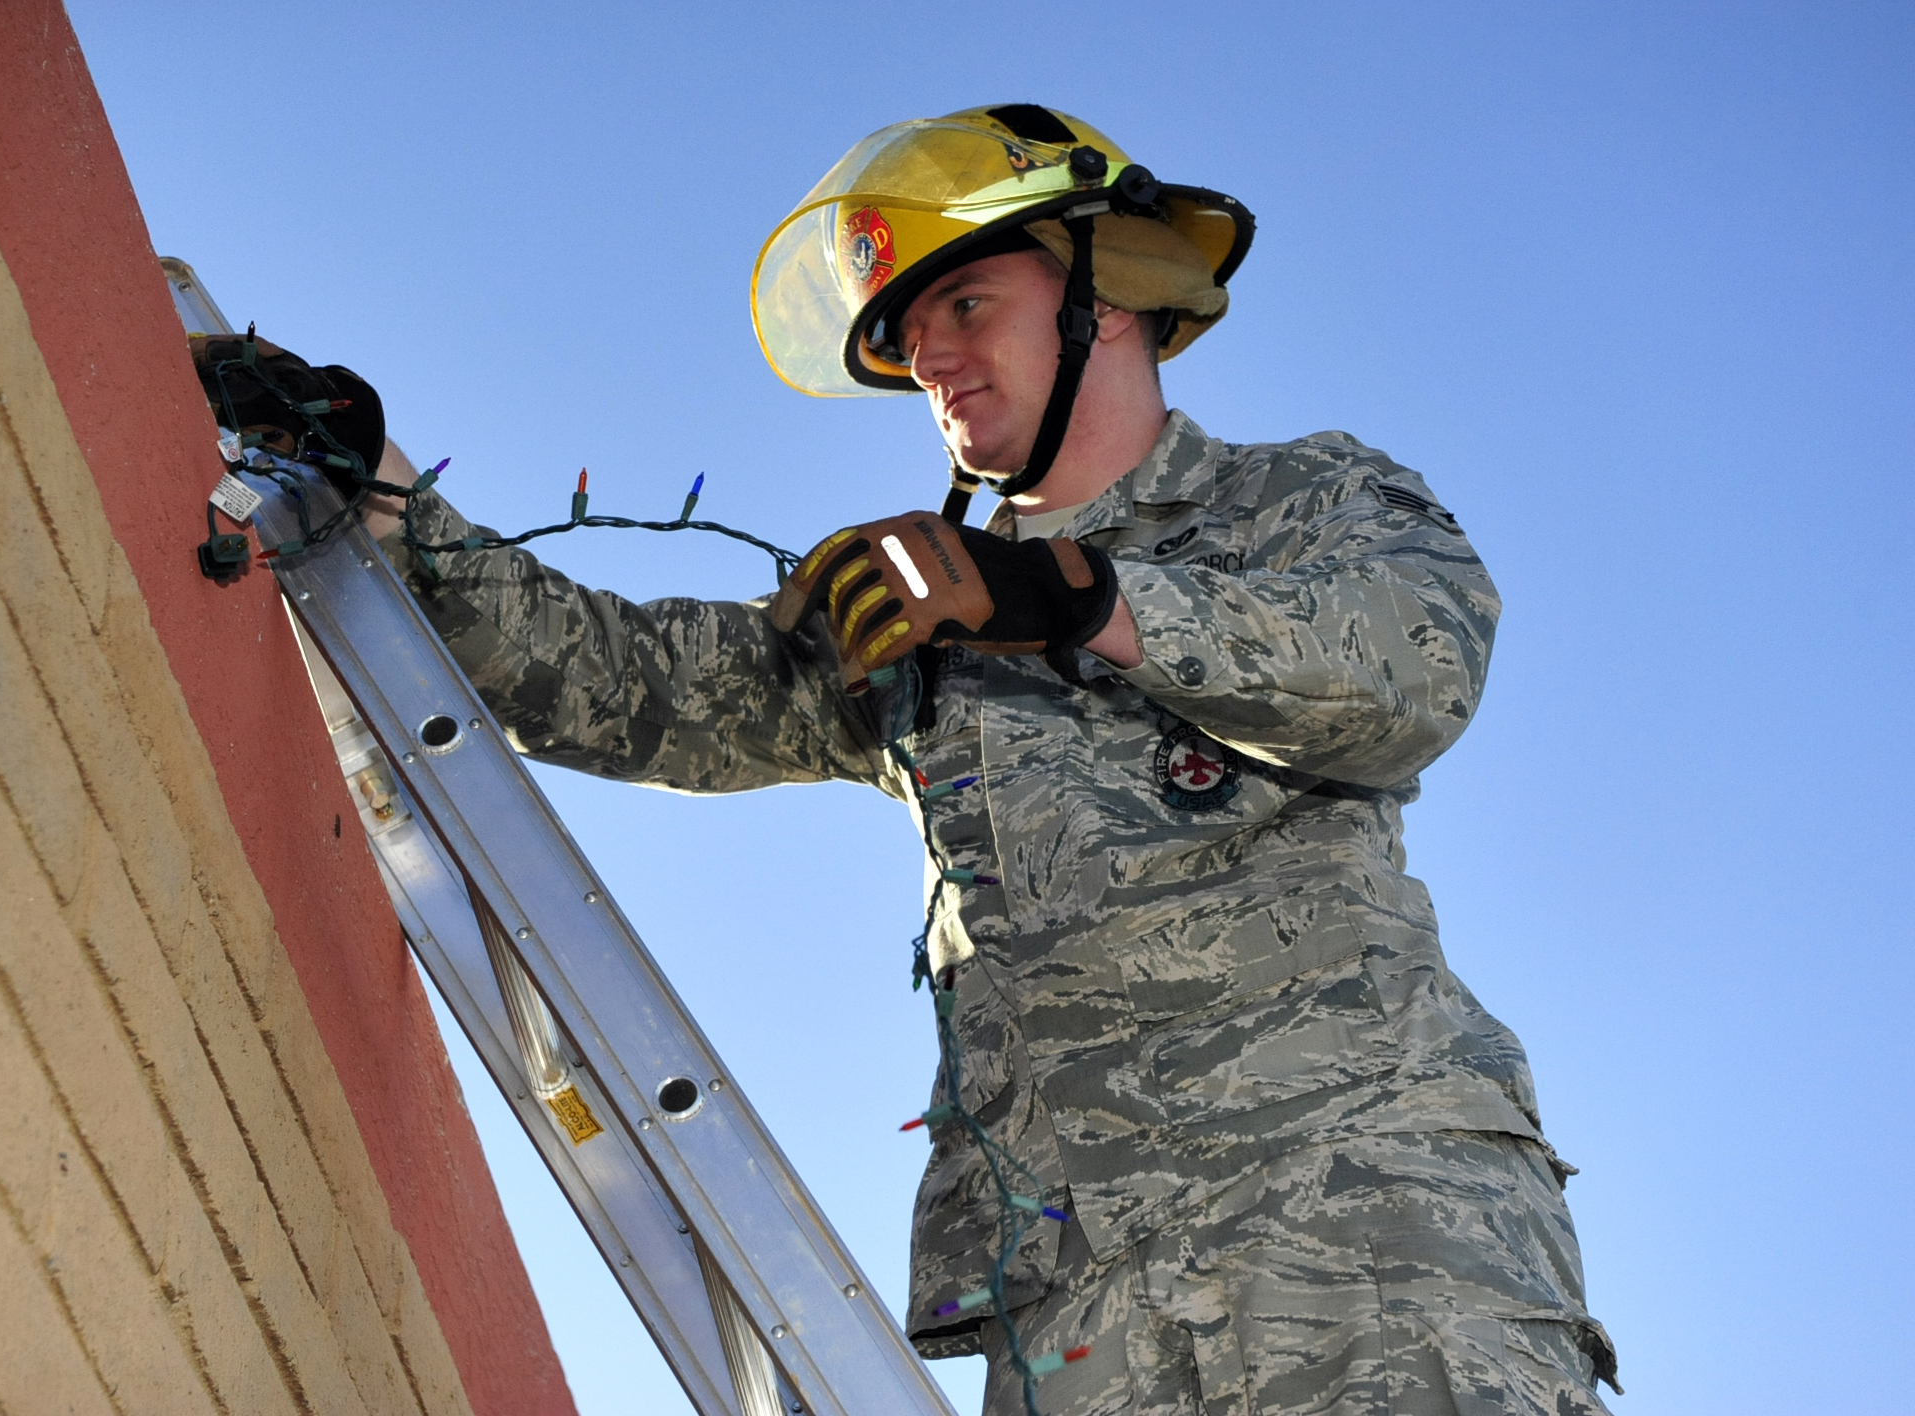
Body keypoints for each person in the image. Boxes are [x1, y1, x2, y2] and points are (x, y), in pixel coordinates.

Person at [349, 104, 1616, 1415]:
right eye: (906, 341)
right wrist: (380, 491)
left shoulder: (1300, 499)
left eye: (965, 305)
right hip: (1072, 1300)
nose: (932, 362)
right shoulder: (916, 616)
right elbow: (612, 680)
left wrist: (1075, 593)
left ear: (1100, 298)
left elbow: (1407, 671)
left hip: (1359, 1227)